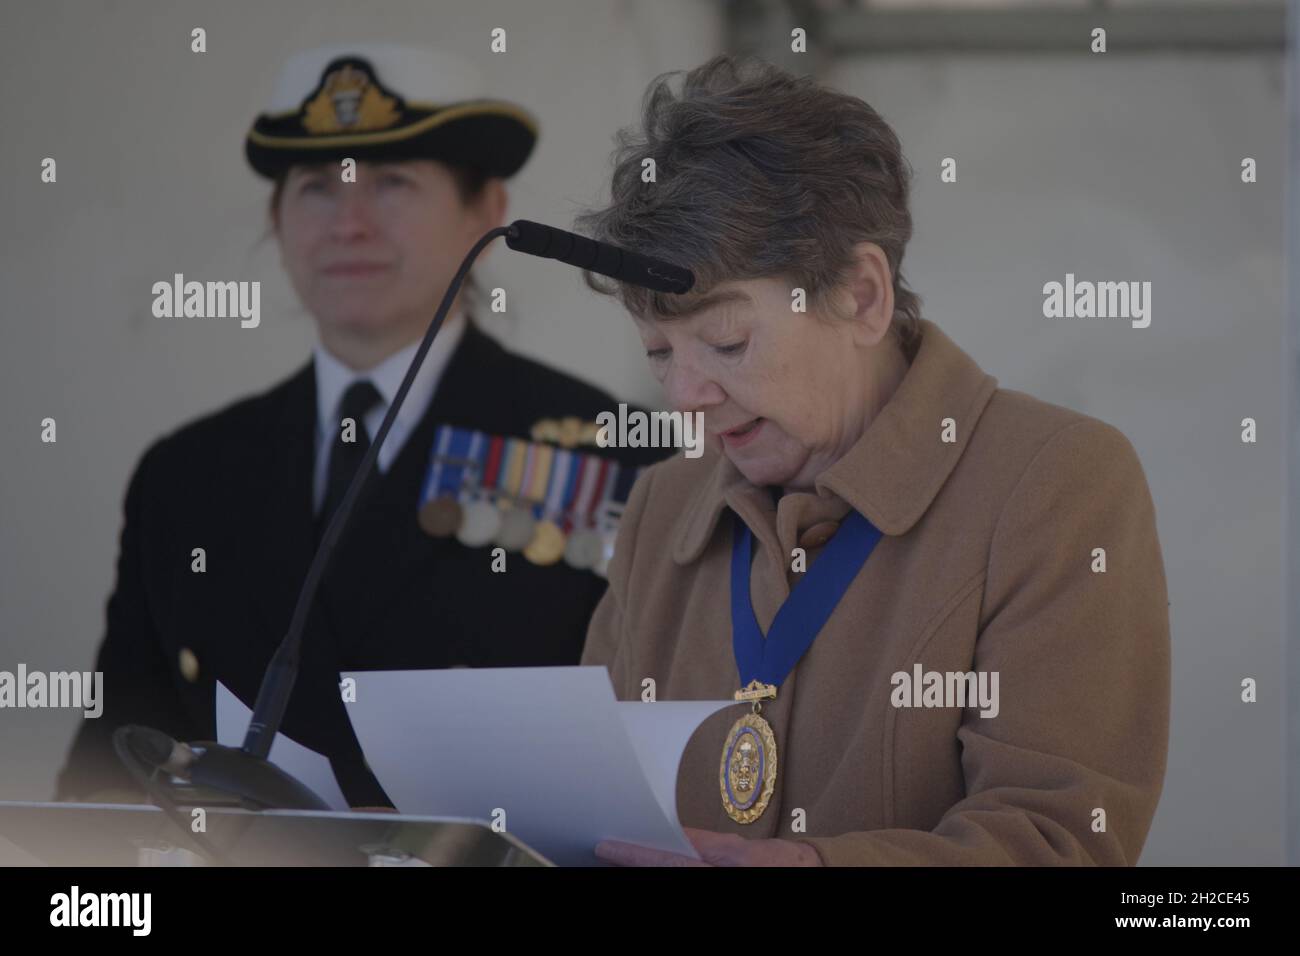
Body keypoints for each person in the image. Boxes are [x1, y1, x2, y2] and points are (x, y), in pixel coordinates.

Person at [578, 55, 1171, 866]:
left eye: (726, 342)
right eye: (657, 352)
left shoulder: (1060, 482)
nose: (685, 398)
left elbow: (1060, 836)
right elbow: (590, 806)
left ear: (861, 295)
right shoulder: (660, 507)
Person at [56, 44, 664, 807]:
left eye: (392, 183)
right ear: (276, 221)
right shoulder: (185, 476)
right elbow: (105, 779)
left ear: (488, 209)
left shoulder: (623, 451)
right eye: (315, 187)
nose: (349, 224)